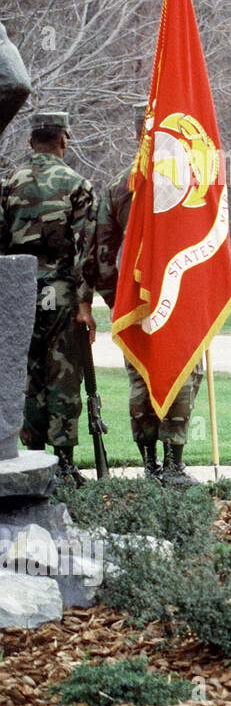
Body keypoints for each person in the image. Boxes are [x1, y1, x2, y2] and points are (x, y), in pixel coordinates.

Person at [91, 102, 202, 488]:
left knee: (142, 379)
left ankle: (150, 465)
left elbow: (101, 257)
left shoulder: (118, 185)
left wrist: (116, 301)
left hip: (138, 303)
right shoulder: (190, 180)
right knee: (183, 374)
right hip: (180, 300)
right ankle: (173, 465)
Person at [0, 111, 95, 486]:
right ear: (63, 141)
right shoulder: (77, 184)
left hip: (19, 292)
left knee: (28, 376)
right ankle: (65, 463)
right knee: (63, 375)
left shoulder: (10, 184)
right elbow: (85, 249)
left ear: (30, 142)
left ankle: (31, 456)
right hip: (61, 291)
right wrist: (85, 303)